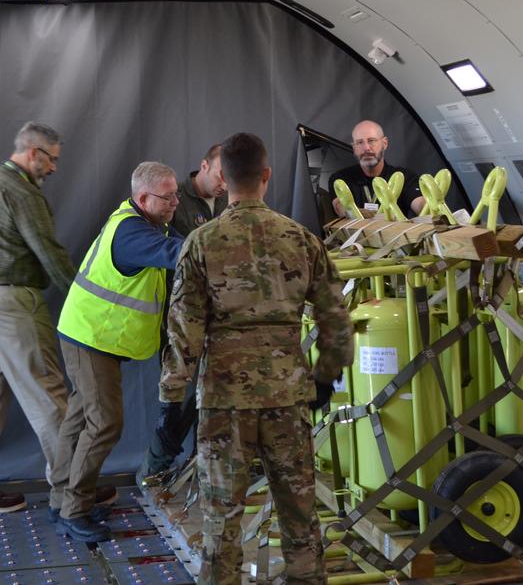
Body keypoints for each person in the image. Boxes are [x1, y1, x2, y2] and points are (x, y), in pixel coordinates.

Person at [166, 132, 353, 585]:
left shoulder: (201, 241)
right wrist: (324, 379)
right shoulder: (301, 238)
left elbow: (184, 324)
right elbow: (335, 318)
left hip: (224, 399)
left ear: (223, 179)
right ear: (266, 176)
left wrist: (175, 391)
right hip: (289, 396)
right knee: (300, 516)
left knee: (221, 519)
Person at [55, 161, 184, 542]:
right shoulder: (132, 233)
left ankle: (61, 498)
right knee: (104, 422)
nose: (177, 201)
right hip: (91, 338)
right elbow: (179, 253)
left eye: (177, 193)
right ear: (143, 198)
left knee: (79, 420)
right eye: (169, 196)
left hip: (93, 335)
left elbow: (178, 240)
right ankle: (74, 510)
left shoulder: (144, 221)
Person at [0, 121, 76, 516]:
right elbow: (50, 253)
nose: (55, 168)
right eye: (52, 159)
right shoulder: (23, 192)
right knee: (48, 395)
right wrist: (81, 298)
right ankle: (72, 489)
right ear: (34, 153)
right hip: (9, 300)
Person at [137, 144, 228, 486]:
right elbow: (174, 251)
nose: (223, 184)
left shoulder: (226, 201)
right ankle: (155, 467)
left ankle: (199, 465)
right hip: (180, 315)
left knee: (212, 395)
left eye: (229, 178)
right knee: (180, 396)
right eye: (219, 174)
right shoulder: (174, 200)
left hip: (216, 315)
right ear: (203, 165)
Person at [330, 119, 426, 217]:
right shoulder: (340, 179)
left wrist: (431, 208)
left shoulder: (404, 177)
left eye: (371, 140)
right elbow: (340, 207)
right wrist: (355, 214)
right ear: (354, 148)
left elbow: (419, 203)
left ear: (384, 143)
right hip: (357, 232)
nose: (366, 148)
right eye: (359, 142)